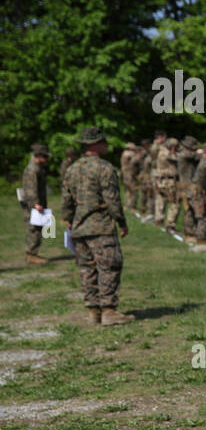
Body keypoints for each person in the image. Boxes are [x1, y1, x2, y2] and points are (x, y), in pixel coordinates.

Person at [61, 127, 133, 325]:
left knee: (87, 269)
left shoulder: (72, 168)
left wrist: (68, 218)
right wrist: (122, 222)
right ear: (95, 144)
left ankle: (94, 311)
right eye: (103, 142)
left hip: (79, 227)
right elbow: (112, 200)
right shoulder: (105, 168)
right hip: (100, 227)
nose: (106, 145)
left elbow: (66, 199)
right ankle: (108, 310)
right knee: (109, 266)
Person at [20, 142, 52, 265]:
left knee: (38, 228)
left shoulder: (38, 168)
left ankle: (33, 253)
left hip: (37, 203)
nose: (46, 159)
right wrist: (35, 204)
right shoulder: (32, 170)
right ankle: (31, 255)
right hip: (33, 205)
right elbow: (30, 189)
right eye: (45, 156)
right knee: (33, 228)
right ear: (37, 155)